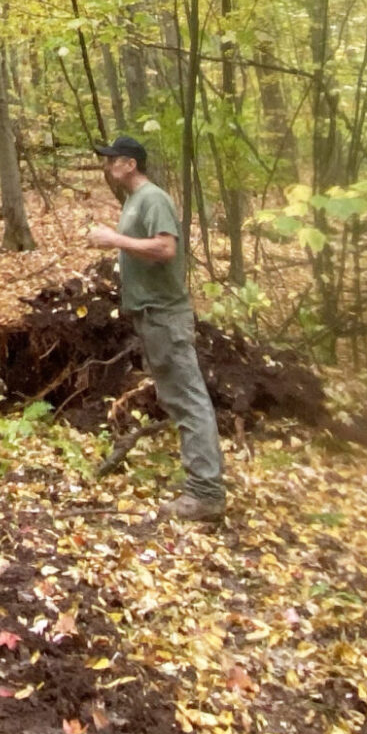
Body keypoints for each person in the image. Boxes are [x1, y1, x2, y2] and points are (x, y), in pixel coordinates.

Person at [87, 135, 226, 522]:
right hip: (150, 315)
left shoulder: (154, 198)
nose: (107, 165)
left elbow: (166, 248)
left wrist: (113, 239)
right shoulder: (135, 202)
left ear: (130, 164)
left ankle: (206, 494)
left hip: (166, 314)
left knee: (188, 399)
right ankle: (202, 485)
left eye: (112, 159)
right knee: (177, 398)